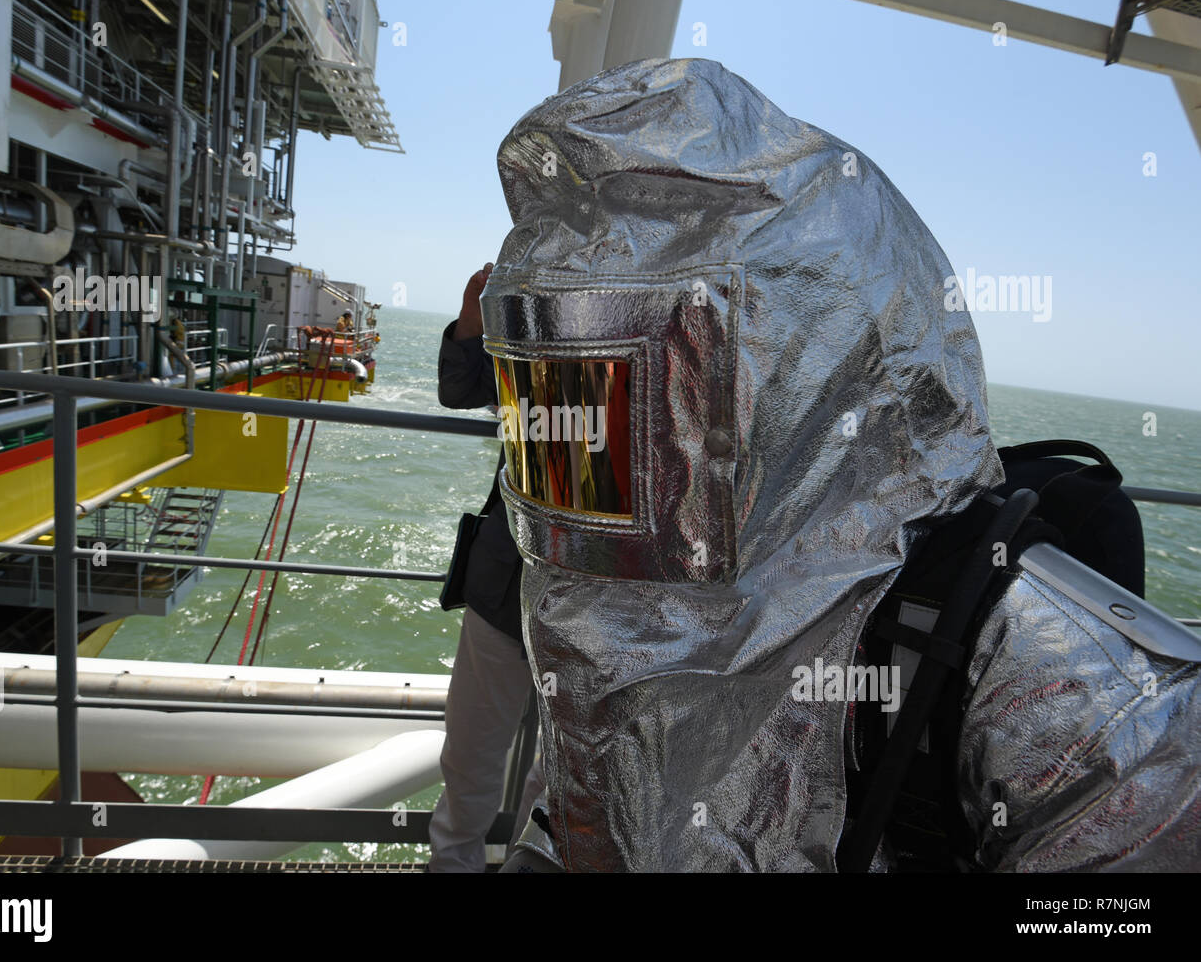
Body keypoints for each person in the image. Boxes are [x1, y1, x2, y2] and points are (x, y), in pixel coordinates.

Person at [482, 58, 1201, 872]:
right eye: (554, 402)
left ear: (795, 384)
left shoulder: (1103, 712)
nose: (596, 448)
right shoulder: (609, 619)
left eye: (644, 401)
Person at [428, 263, 543, 873]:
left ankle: (528, 862)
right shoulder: (534, 331)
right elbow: (460, 388)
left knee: (566, 771)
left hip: (603, 601)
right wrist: (475, 311)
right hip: (510, 580)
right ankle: (454, 865)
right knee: (473, 747)